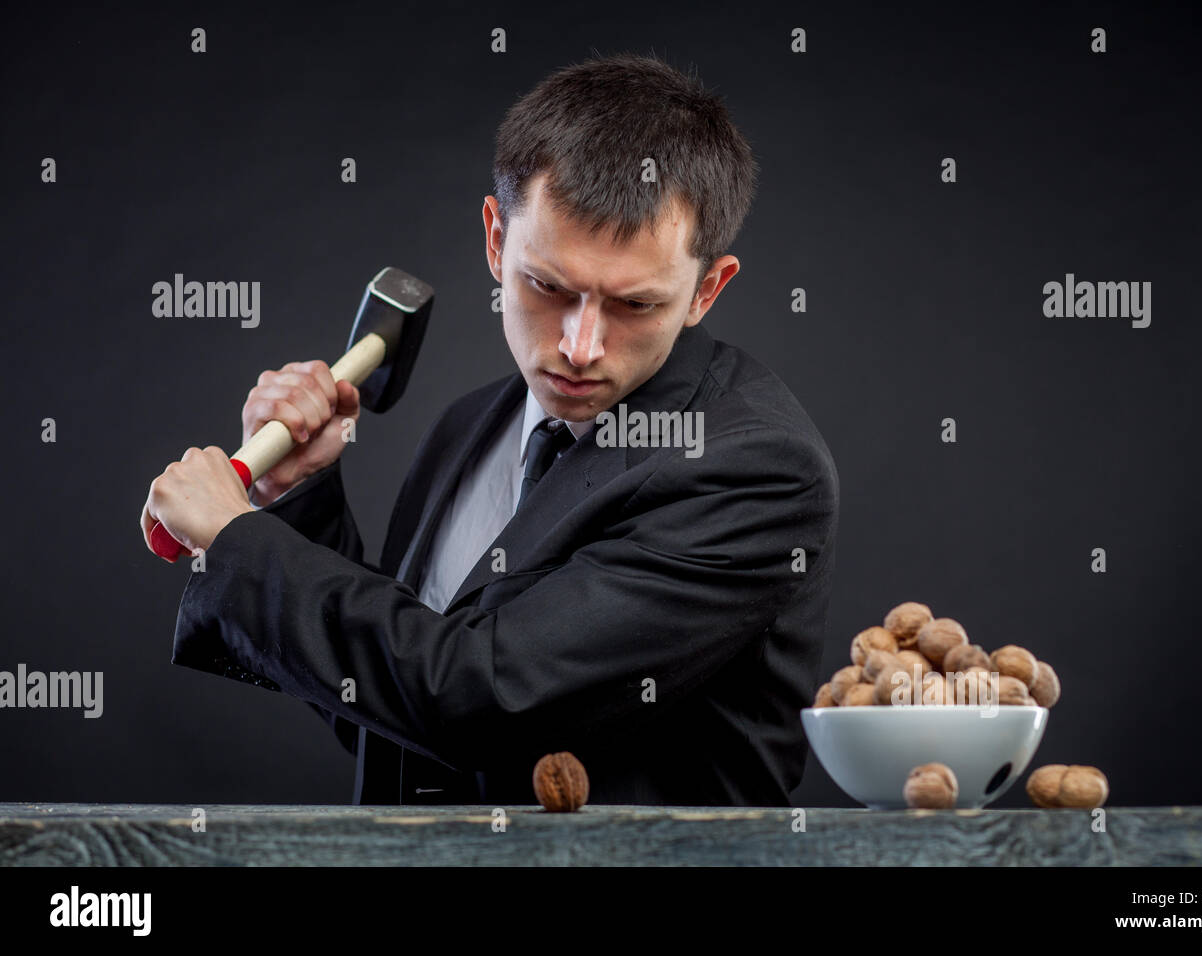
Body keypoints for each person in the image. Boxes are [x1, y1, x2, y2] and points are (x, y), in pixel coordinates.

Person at [140, 52, 840, 806]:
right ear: (495, 240)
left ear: (706, 289)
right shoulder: (471, 427)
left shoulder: (756, 466)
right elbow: (392, 718)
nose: (579, 346)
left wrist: (237, 538)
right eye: (547, 285)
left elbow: (484, 700)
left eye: (635, 305)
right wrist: (297, 495)